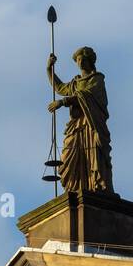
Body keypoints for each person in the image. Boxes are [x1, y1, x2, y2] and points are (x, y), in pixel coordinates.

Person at [47, 46, 114, 194]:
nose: (79, 62)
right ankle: (74, 188)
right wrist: (49, 69)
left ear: (89, 60)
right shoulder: (75, 82)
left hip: (91, 125)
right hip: (76, 126)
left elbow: (87, 95)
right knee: (69, 157)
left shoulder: (97, 80)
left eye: (82, 59)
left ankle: (95, 186)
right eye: (77, 60)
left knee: (93, 155)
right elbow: (59, 88)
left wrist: (63, 102)